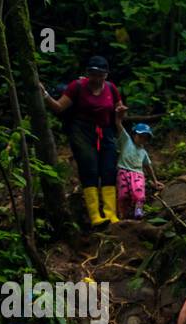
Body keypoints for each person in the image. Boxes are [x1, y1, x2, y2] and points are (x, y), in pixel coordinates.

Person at [42, 55, 124, 226]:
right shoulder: (77, 87)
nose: (96, 77)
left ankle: (111, 214)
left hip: (106, 132)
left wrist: (120, 113)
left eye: (100, 74)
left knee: (109, 170)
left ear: (106, 75)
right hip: (82, 132)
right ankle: (95, 216)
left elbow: (118, 108)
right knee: (90, 169)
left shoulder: (111, 88)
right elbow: (59, 107)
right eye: (92, 73)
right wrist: (44, 94)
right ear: (87, 73)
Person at [114, 106, 161, 219]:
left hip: (137, 174)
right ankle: (123, 214)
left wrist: (155, 180)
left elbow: (148, 166)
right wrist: (118, 117)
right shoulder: (126, 141)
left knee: (138, 193)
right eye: (140, 136)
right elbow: (118, 125)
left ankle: (139, 210)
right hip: (123, 171)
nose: (142, 139)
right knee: (123, 194)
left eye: (145, 138)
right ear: (134, 134)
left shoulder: (143, 152)